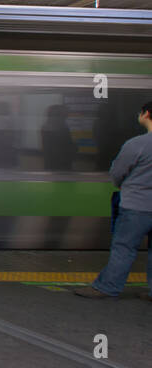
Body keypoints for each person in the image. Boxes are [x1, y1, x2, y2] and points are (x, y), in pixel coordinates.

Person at [78, 101, 152, 301]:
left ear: (146, 114)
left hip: (136, 206)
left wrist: (123, 184)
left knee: (124, 248)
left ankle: (108, 287)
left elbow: (118, 172)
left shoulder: (137, 144)